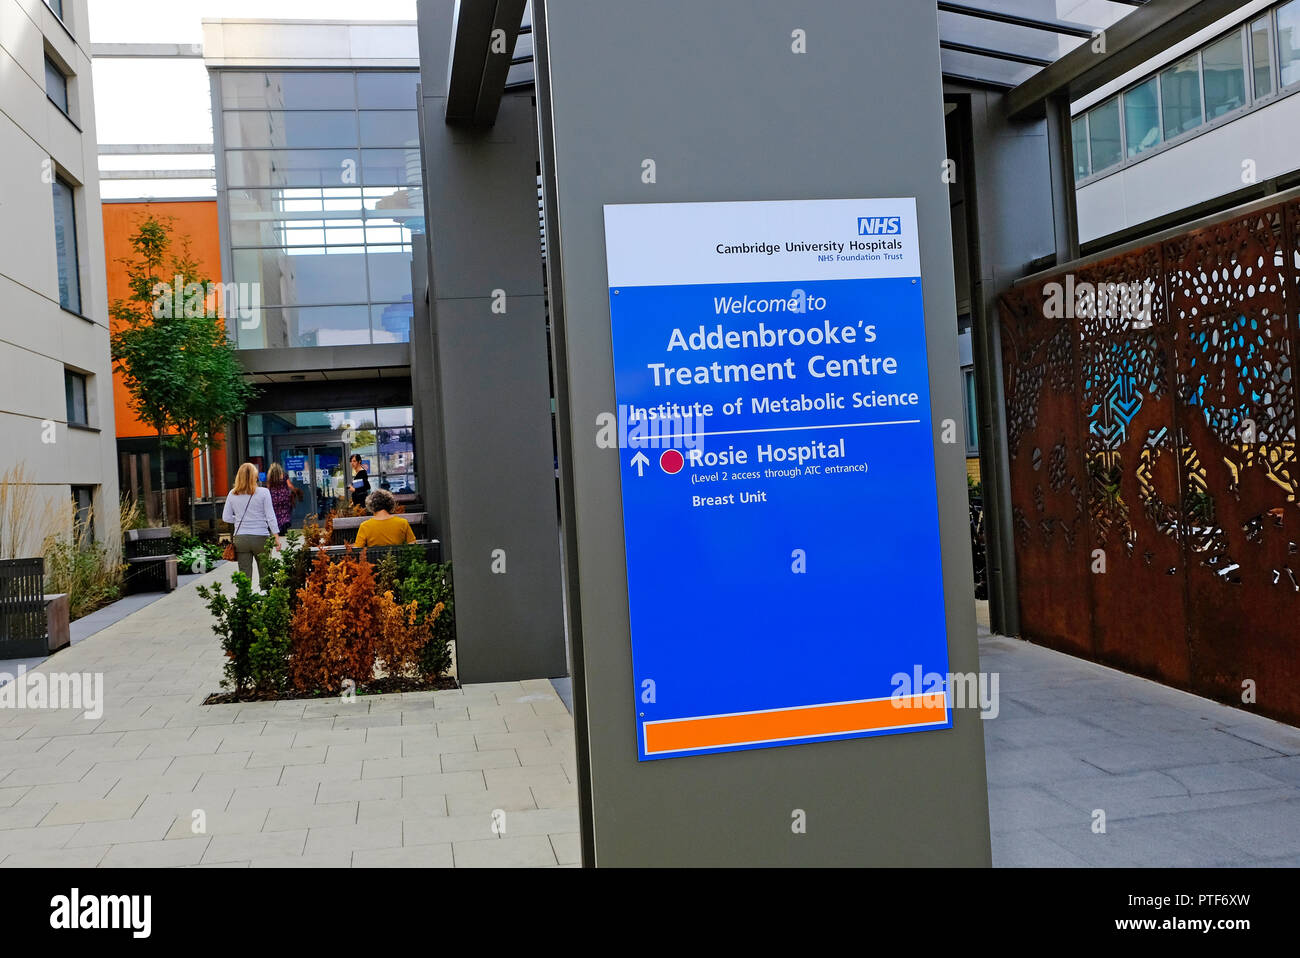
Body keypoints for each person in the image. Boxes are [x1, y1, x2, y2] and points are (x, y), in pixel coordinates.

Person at [222, 462, 284, 586]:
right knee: (265, 573)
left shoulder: (232, 494)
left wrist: (239, 519)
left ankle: (245, 603)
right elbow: (270, 516)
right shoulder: (264, 492)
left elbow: (226, 517)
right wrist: (276, 537)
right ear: (254, 477)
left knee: (244, 576)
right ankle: (267, 601)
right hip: (261, 538)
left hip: (241, 539)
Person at [265, 462, 296, 535]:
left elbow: (268, 487)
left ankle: (278, 528)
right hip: (284, 496)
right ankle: (284, 526)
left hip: (274, 497)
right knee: (285, 512)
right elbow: (289, 485)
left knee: (276, 513)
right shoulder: (284, 475)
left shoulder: (270, 477)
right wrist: (295, 490)